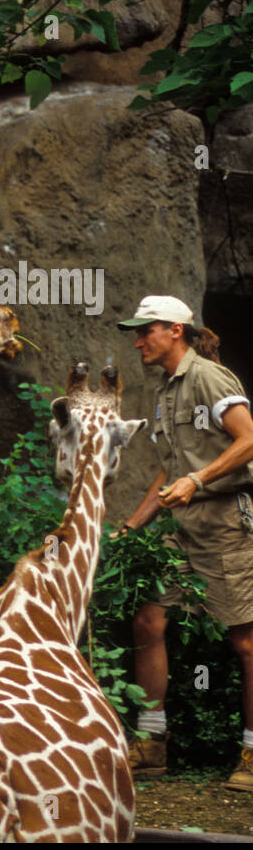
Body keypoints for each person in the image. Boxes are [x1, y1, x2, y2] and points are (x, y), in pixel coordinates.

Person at [116, 295, 253, 792]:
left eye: (145, 330)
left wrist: (198, 480)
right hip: (180, 527)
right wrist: (130, 527)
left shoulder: (209, 377)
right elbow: (168, 471)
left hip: (224, 523)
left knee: (246, 640)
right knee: (148, 618)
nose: (137, 341)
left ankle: (252, 752)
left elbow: (249, 439)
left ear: (175, 330)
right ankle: (151, 743)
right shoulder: (165, 392)